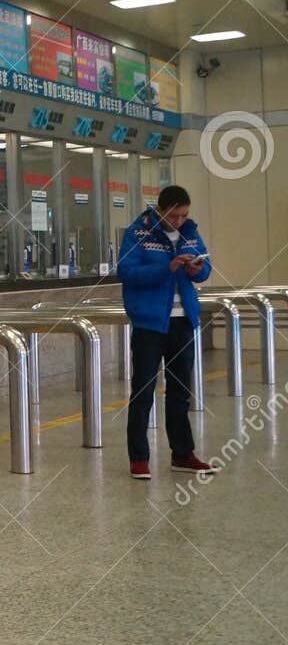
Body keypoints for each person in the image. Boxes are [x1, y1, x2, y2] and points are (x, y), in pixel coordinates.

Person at [118, 185, 214, 480]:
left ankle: (182, 454)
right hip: (150, 323)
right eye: (174, 216)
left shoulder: (190, 233)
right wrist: (167, 268)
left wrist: (196, 269)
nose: (179, 221)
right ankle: (139, 457)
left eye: (184, 216)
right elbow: (126, 271)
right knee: (144, 391)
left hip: (182, 321)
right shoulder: (138, 233)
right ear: (160, 211)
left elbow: (206, 268)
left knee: (180, 393)